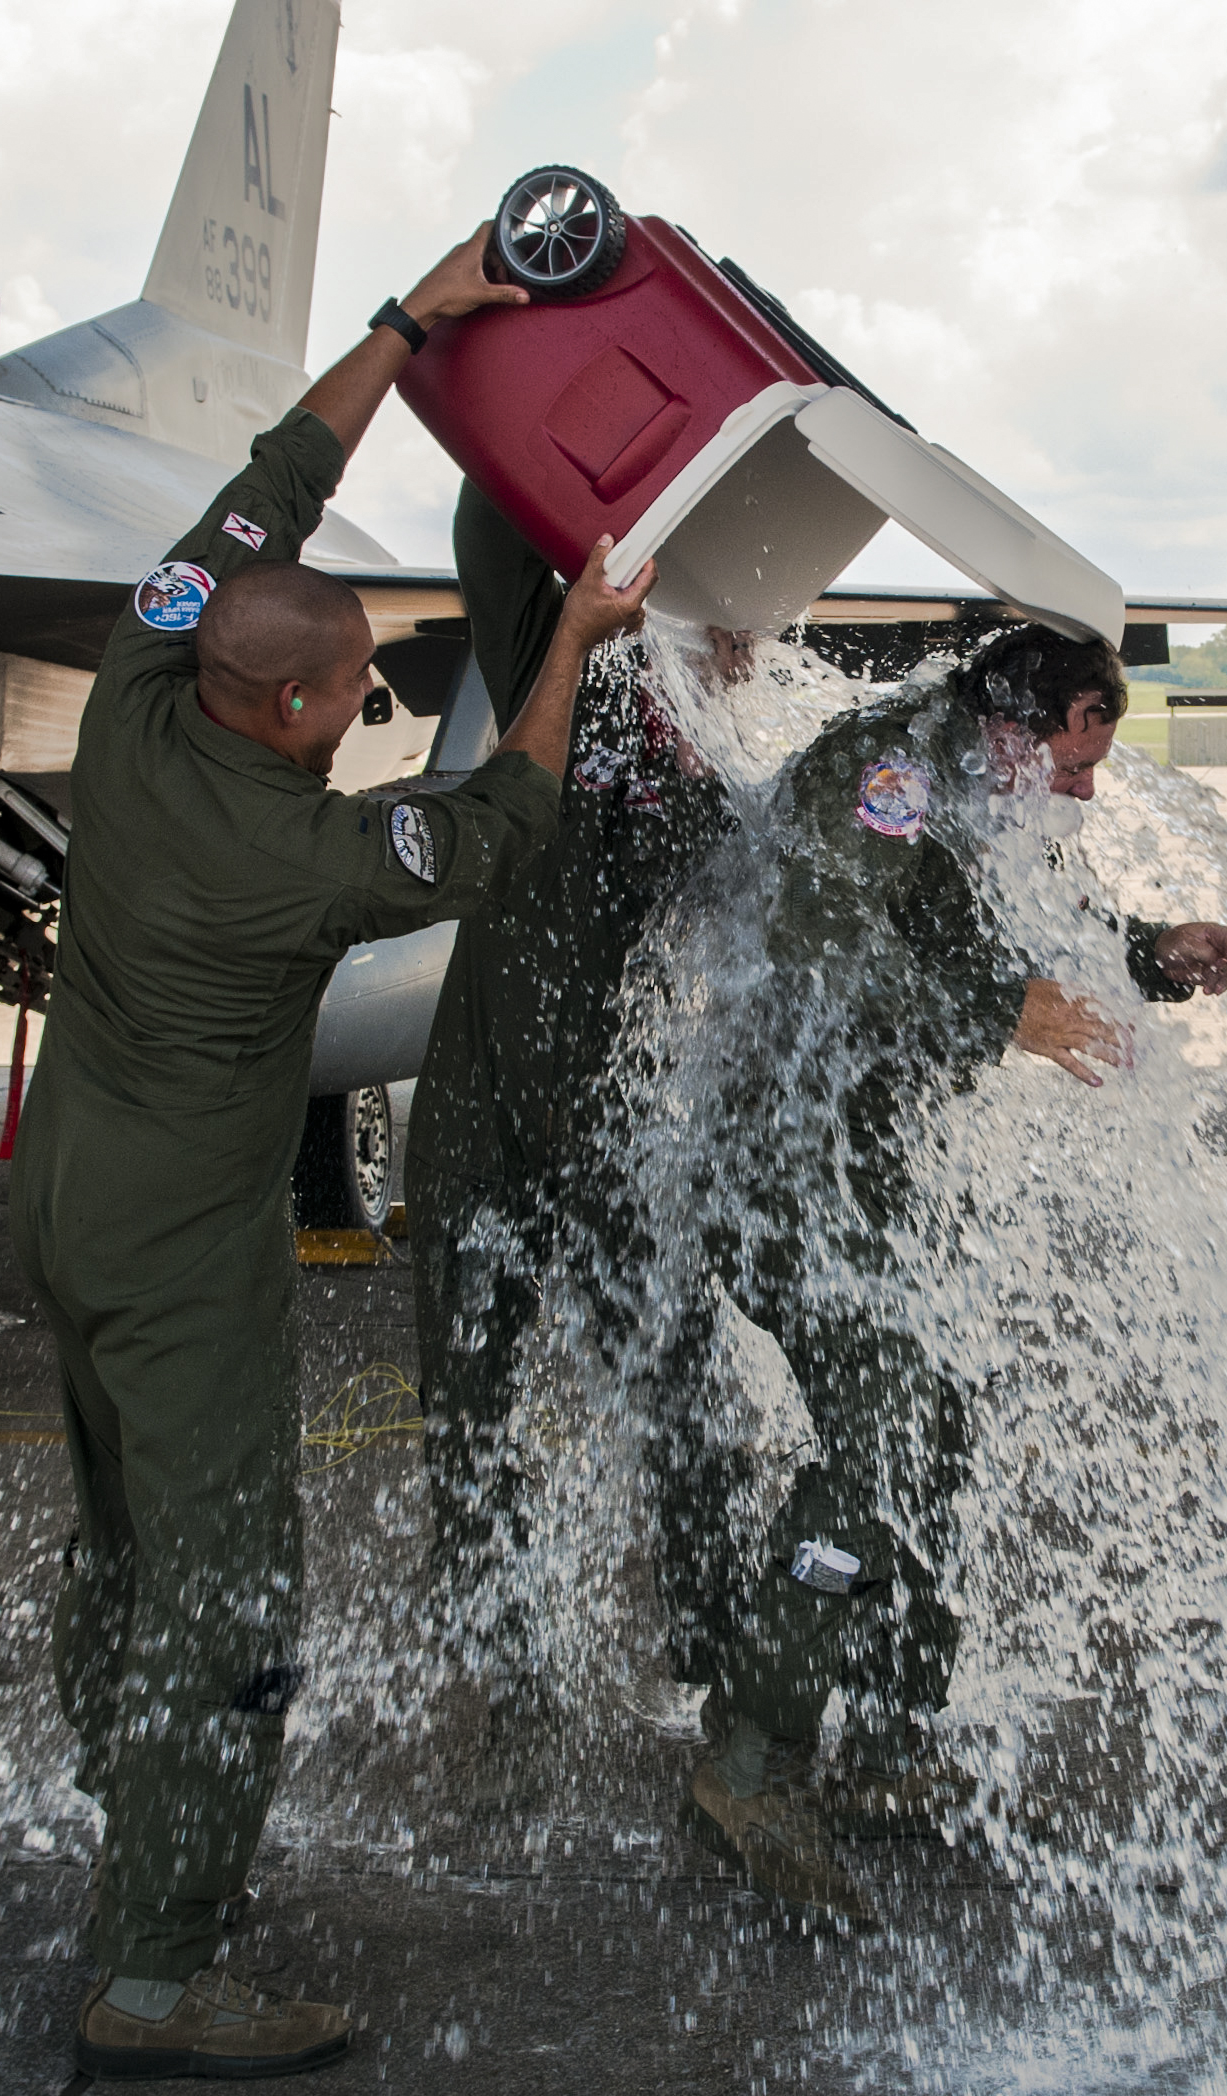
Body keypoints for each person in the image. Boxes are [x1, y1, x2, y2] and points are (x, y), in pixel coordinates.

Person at [9, 229, 655, 2081]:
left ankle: (128, 1799)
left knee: (122, 1541)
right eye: (353, 691)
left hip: (61, 1212)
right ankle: (157, 1971)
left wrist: (403, 323)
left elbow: (267, 486)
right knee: (230, 1598)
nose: (361, 709)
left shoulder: (136, 684)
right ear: (291, 709)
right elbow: (497, 820)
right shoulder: (299, 863)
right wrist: (570, 645)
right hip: (182, 1262)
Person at [662, 625, 1227, 1923]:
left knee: (931, 1432)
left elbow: (1025, 925)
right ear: (1015, 728)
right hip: (784, 1165)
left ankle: (888, 1746)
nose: (1083, 788)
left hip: (865, 1165)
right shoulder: (892, 773)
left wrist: (1150, 954)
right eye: (1075, 761)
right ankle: (747, 1760)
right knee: (879, 1433)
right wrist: (1004, 1015)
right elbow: (819, 940)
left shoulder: (980, 786)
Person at [406, 481, 737, 1612]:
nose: (734, 653)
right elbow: (492, 529)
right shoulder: (562, 694)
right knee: (468, 1404)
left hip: (620, 1140)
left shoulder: (714, 798)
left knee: (681, 1392)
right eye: (716, 630)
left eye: (740, 637)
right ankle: (492, 1636)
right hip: (481, 1121)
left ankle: (710, 1629)